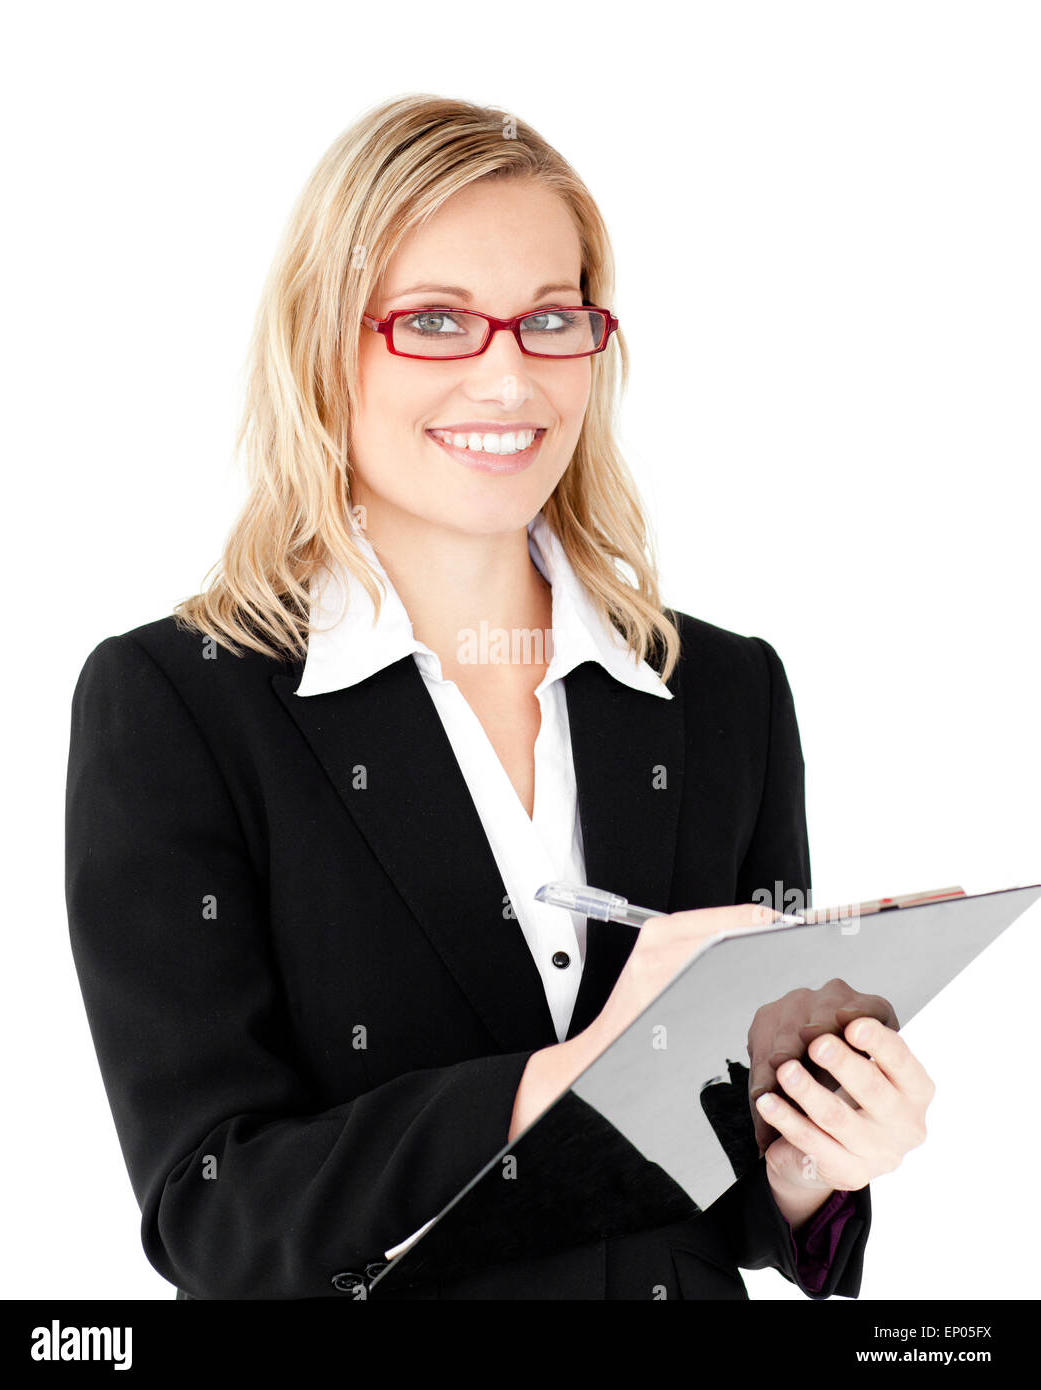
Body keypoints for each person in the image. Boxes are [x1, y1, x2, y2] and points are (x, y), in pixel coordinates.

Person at [64, 94, 935, 1301]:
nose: (505, 375)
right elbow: (215, 1211)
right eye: (434, 320)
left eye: (548, 320)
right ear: (326, 343)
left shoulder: (721, 690)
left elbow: (716, 1195)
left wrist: (810, 1165)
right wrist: (576, 1073)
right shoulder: (177, 702)